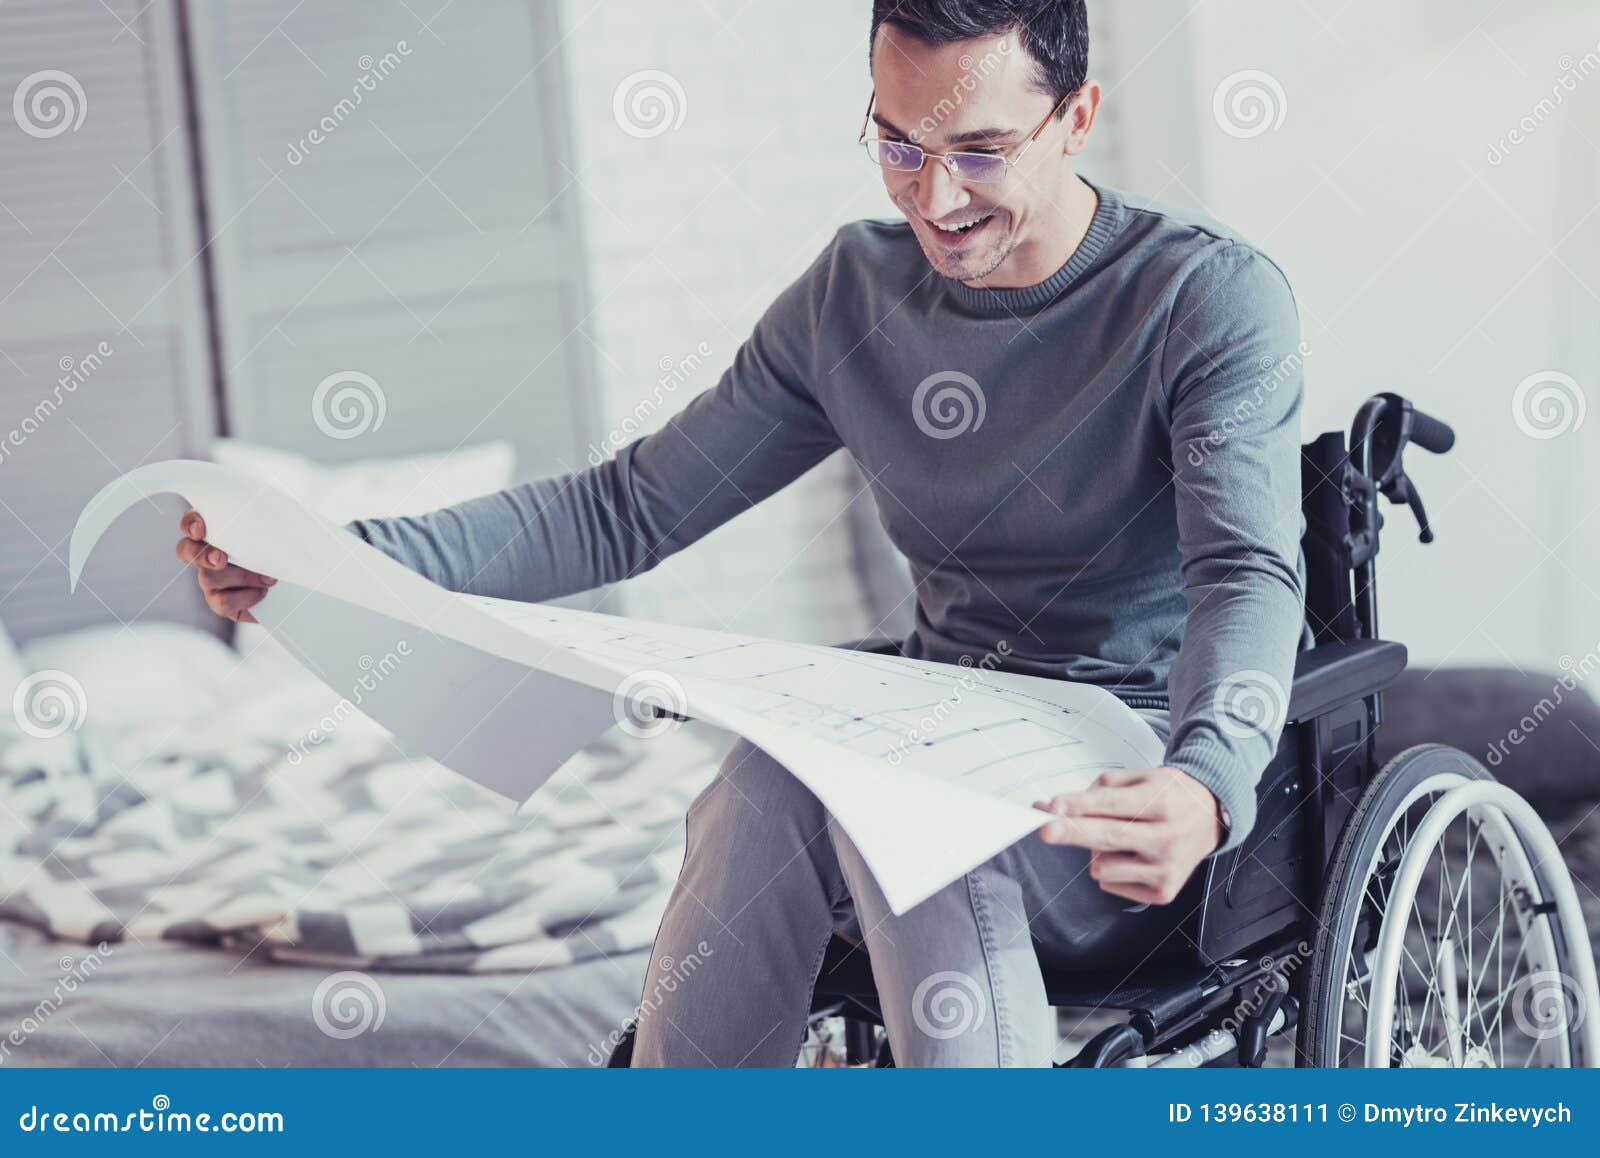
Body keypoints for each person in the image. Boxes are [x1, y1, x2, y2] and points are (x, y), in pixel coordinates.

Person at [176, 0, 1306, 1066]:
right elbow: (625, 508)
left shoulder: (1199, 298)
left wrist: (1204, 781)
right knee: (764, 780)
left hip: (1125, 782)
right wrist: (343, 561)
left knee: (887, 809)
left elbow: (1245, 573)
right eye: (899, 143)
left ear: (1076, 120)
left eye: (978, 150)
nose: (933, 197)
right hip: (944, 727)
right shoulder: (854, 297)